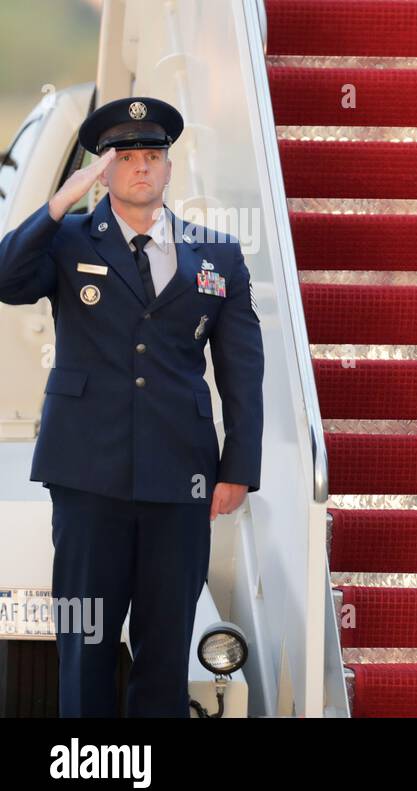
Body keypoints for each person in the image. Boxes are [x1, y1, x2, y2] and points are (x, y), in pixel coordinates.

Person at [0, 96, 264, 716]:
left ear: (170, 168)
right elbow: (8, 278)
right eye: (125, 157)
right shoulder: (66, 241)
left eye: (153, 156)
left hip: (181, 479)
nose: (141, 167)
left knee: (166, 645)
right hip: (87, 477)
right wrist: (60, 202)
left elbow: (242, 371)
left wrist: (237, 469)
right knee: (84, 642)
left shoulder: (218, 256)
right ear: (104, 169)